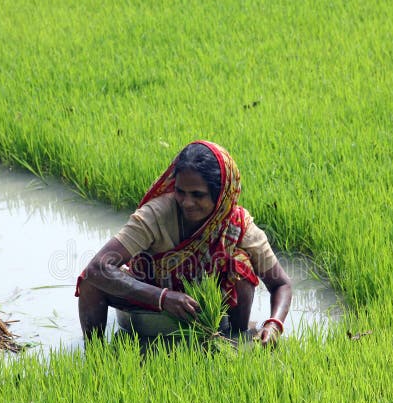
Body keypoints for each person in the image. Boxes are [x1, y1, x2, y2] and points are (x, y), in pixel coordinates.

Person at [75, 140, 292, 345]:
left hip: (205, 311)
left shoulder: (237, 224)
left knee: (240, 264)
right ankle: (95, 355)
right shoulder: (156, 214)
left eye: (198, 195)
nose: (187, 203)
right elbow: (98, 267)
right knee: (91, 281)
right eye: (180, 192)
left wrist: (274, 325)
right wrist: (163, 297)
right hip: (151, 298)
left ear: (220, 196)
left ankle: (233, 340)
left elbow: (281, 284)